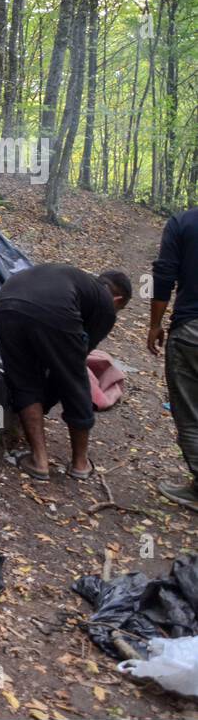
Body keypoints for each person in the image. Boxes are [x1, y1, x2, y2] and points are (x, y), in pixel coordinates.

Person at [0, 263, 132, 482]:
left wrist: (40, 402)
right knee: (73, 380)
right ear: (117, 300)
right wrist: (48, 399)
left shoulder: (76, 279)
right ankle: (80, 464)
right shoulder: (105, 305)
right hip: (54, 306)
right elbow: (72, 368)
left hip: (5, 303)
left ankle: (39, 461)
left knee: (23, 380)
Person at [148, 209, 198, 510]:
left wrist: (155, 324)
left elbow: (164, 274)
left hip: (191, 331)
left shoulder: (184, 222)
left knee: (191, 413)